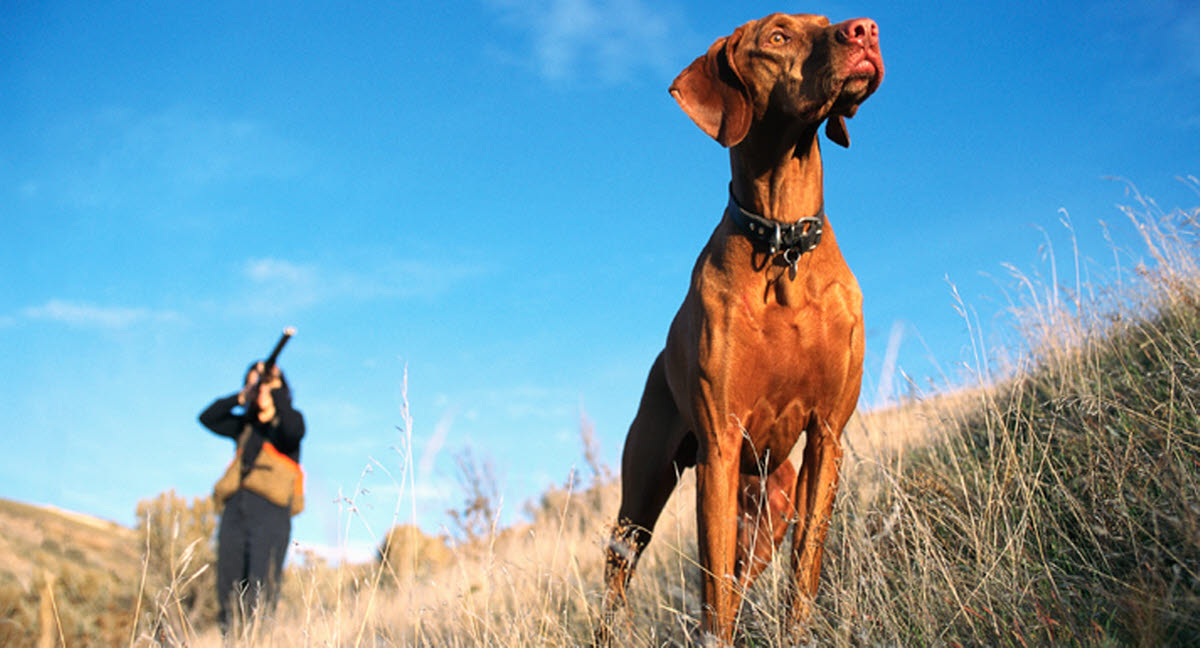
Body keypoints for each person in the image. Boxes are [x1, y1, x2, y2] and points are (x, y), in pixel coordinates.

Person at [199, 361, 305, 631]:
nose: (261, 389)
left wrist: (275, 385)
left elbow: (294, 431)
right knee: (229, 590)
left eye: (265, 383)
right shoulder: (245, 426)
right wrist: (241, 396)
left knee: (261, 591)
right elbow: (207, 417)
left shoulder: (288, 423)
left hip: (272, 513)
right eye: (255, 384)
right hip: (235, 511)